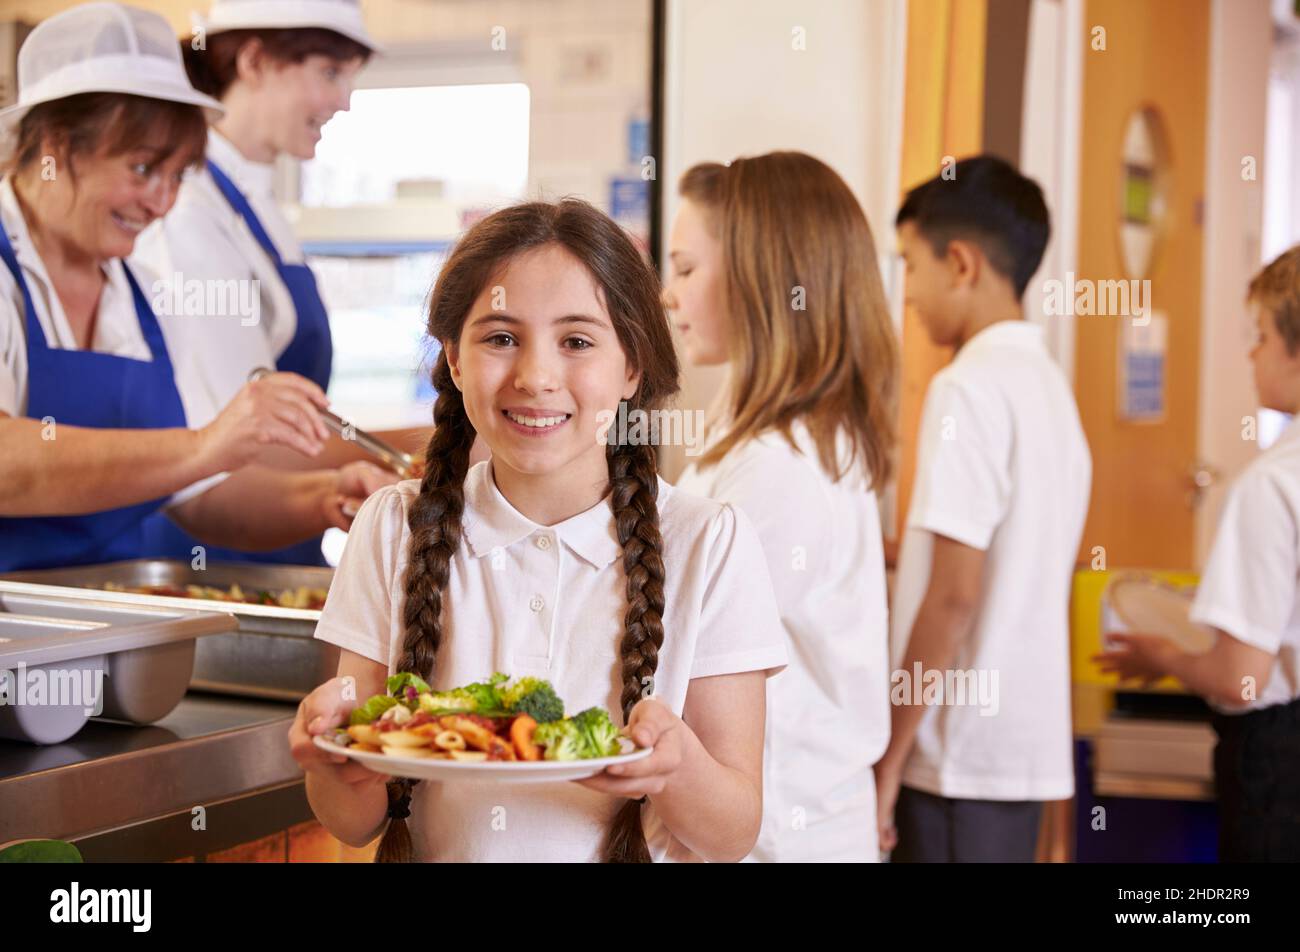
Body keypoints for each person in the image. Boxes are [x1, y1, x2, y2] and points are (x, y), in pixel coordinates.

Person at [288, 198, 789, 862]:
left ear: (631, 366)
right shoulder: (393, 527)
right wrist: (332, 762)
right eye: (500, 337)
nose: (535, 376)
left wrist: (674, 767)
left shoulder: (710, 543)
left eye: (577, 341)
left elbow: (731, 834)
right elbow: (353, 823)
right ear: (455, 359)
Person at [0, 2, 390, 573]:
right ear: (59, 146)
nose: (160, 203)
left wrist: (329, 495)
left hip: (104, 623)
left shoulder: (141, 296)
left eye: (177, 176)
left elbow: (200, 496)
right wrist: (205, 443)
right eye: (142, 169)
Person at [664, 152, 899, 861]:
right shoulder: (771, 437)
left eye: (684, 268)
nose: (668, 296)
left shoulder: (777, 469)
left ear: (760, 281)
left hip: (781, 836)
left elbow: (678, 646)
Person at [876, 155, 1092, 862]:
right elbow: (1004, 557)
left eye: (911, 265)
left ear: (961, 263)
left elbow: (955, 598)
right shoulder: (1048, 387)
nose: (907, 293)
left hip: (954, 751)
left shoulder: (965, 389)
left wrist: (891, 757)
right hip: (1020, 749)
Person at [135, 0, 388, 566]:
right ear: (253, 61)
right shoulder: (186, 211)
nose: (344, 100)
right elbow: (241, 438)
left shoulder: (254, 201)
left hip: (283, 537)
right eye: (329, 72)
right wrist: (429, 454)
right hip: (216, 553)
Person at [1097, 245, 1300, 862]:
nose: (1250, 353)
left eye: (1261, 335)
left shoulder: (1270, 485)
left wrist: (1165, 654)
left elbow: (1242, 680)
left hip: (1277, 764)